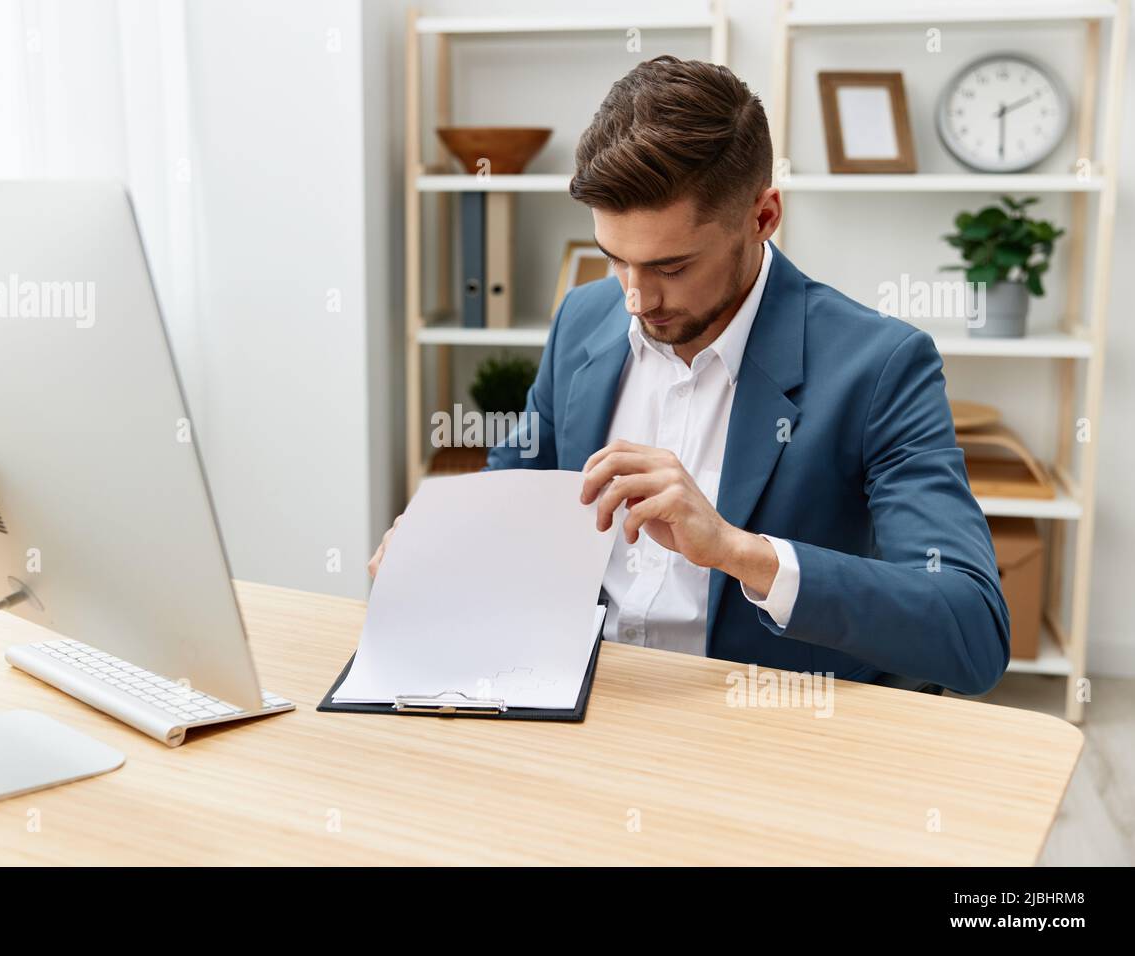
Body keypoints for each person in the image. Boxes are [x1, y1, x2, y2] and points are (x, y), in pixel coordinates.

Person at [372, 56, 1008, 696]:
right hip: (579, 699)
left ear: (762, 217)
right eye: (614, 258)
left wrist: (737, 550)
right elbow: (515, 481)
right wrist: (438, 537)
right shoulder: (582, 320)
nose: (636, 299)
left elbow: (971, 627)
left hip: (762, 728)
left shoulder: (879, 366)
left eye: (671, 267)